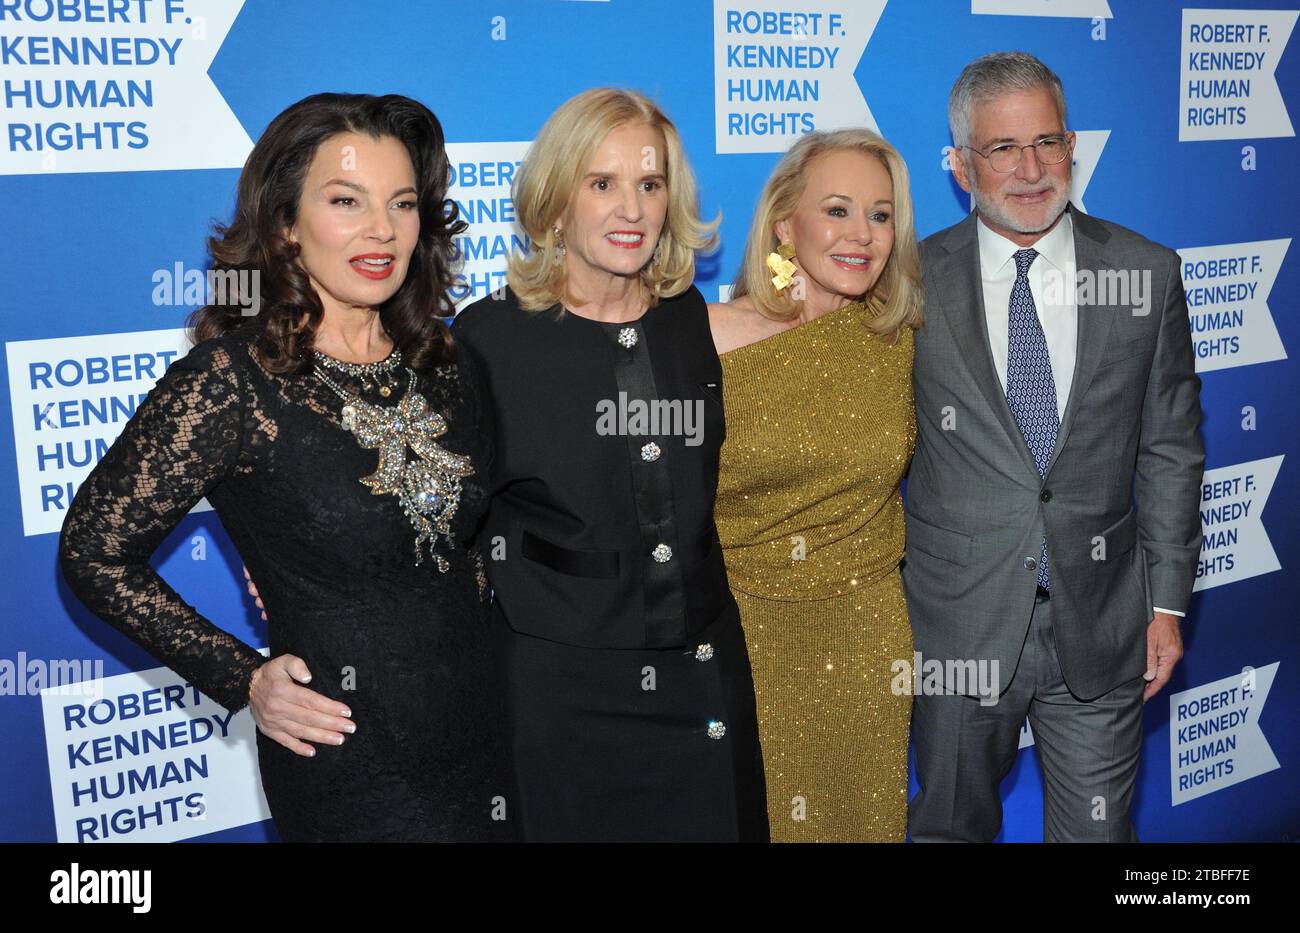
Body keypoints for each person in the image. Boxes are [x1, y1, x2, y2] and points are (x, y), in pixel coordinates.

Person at [58, 93, 513, 842]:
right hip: (351, 762)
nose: (381, 230)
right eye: (346, 201)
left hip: (491, 734)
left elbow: (473, 546)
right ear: (284, 225)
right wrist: (241, 676)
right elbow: (92, 550)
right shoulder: (231, 382)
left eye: (402, 204)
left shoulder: (449, 361)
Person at [452, 88, 769, 841]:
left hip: (701, 678)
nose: (631, 208)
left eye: (649, 185)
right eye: (602, 184)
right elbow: (439, 512)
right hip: (559, 696)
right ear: (556, 202)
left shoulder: (692, 324)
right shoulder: (488, 339)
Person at [905, 52, 1204, 842]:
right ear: (963, 166)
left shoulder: (1146, 272)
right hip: (956, 628)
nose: (1032, 169)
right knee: (947, 830)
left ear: (1073, 145)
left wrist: (1167, 602)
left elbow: (1171, 448)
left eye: (1048, 141)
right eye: (1003, 149)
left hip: (1105, 623)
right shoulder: (906, 283)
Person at [708, 129, 924, 841]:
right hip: (738, 633)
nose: (863, 234)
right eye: (837, 210)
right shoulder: (705, 336)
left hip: (866, 640)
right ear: (783, 222)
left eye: (881, 214)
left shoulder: (898, 338)